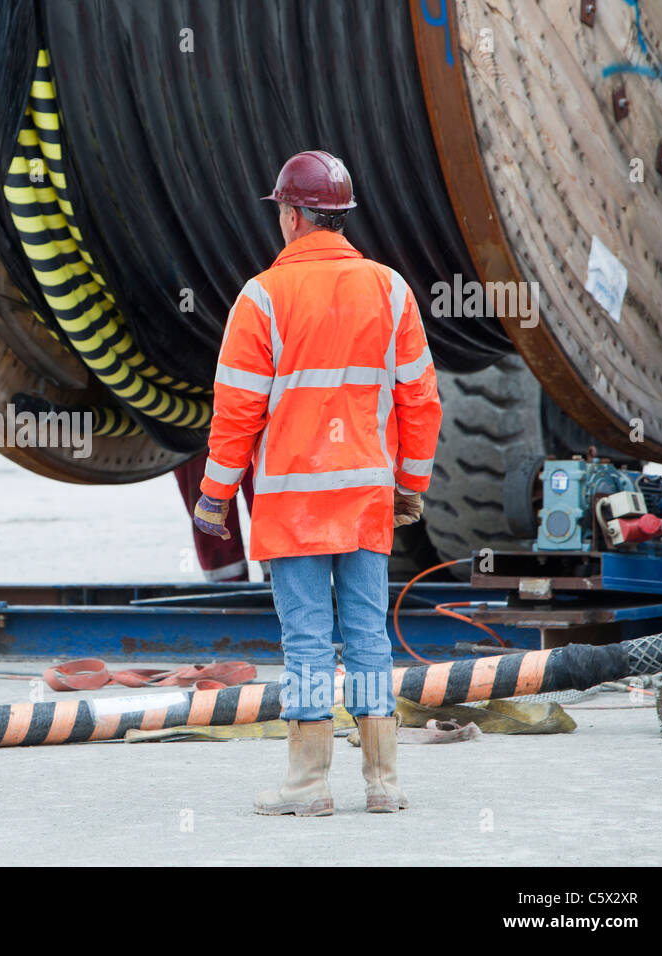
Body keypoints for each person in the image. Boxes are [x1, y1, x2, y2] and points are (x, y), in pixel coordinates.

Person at [193, 150, 441, 816]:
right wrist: (410, 484)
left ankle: (308, 785)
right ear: (340, 217)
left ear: (293, 215)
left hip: (293, 505)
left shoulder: (262, 298)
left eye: (281, 210)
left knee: (306, 638)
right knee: (366, 635)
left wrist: (215, 498)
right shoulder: (390, 291)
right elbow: (420, 400)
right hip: (366, 501)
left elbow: (236, 411)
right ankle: (383, 783)